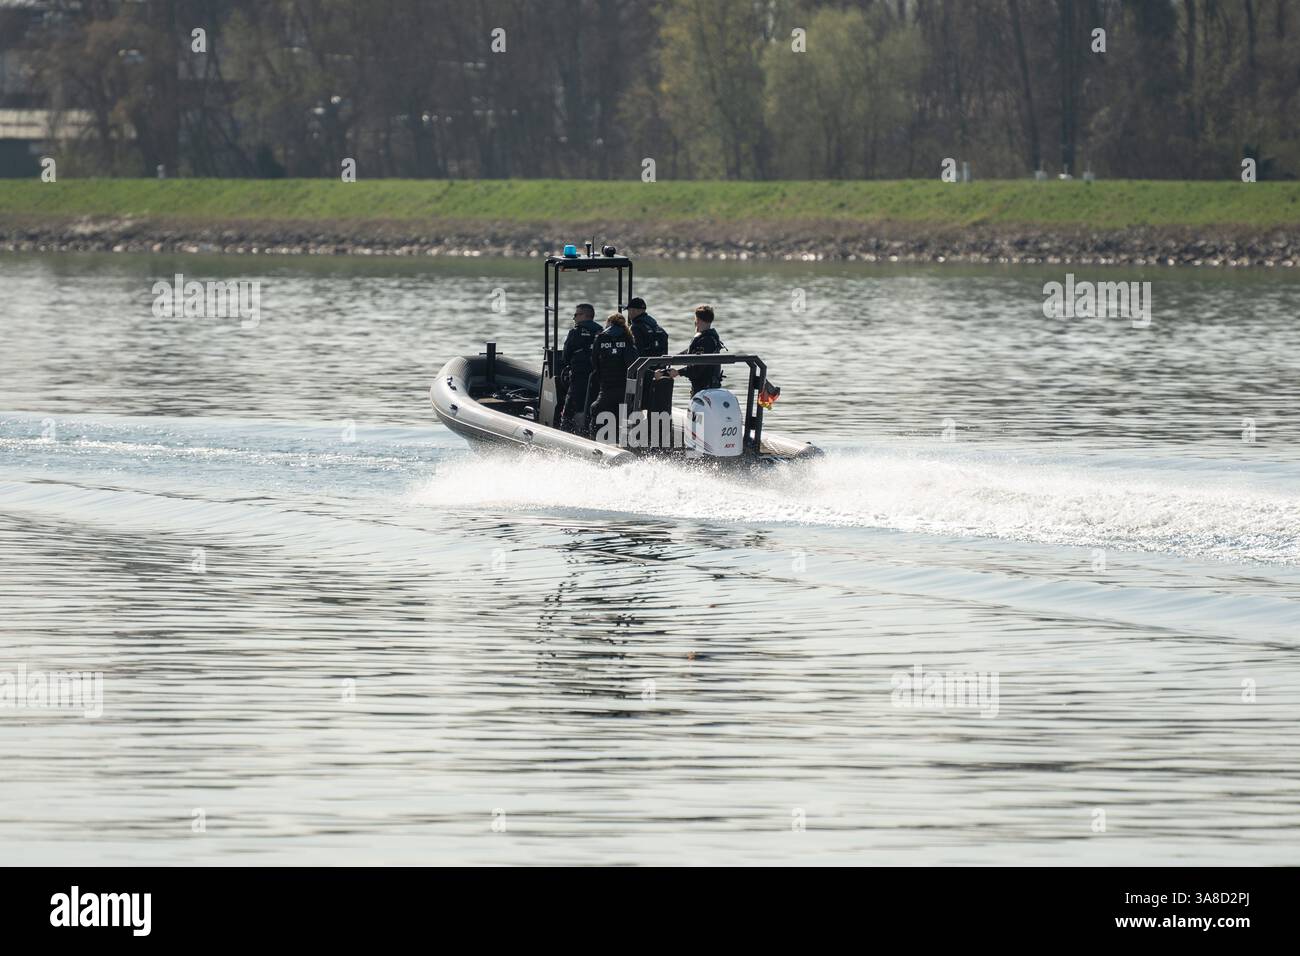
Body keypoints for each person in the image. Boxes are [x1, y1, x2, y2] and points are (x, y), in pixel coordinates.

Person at [586, 311, 639, 438]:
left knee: (596, 409)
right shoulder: (628, 338)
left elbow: (594, 362)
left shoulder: (601, 338)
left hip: (607, 388)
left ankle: (596, 441)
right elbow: (634, 364)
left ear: (609, 323)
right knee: (625, 414)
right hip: (625, 388)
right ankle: (627, 442)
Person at [626, 296, 672, 420]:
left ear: (634, 311)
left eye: (629, 310)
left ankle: (634, 426)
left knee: (634, 402)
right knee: (654, 404)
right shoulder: (656, 326)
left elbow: (636, 354)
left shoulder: (635, 327)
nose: (629, 314)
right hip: (660, 371)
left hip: (644, 373)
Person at [662, 304, 724, 396]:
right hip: (707, 389)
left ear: (698, 320)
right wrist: (671, 358)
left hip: (705, 390)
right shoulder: (709, 338)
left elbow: (697, 369)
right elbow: (689, 353)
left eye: (695, 319)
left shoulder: (706, 341)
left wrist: (678, 372)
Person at [559, 303, 602, 432]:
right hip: (598, 379)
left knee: (570, 409)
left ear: (585, 315)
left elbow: (566, 356)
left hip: (579, 378)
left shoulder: (575, 332)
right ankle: (592, 430)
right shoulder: (602, 332)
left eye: (576, 315)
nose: (574, 318)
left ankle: (567, 433)